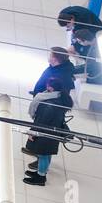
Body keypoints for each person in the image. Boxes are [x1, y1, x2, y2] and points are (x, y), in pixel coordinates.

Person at [26, 47, 74, 186]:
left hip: (46, 130)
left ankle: (40, 177)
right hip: (48, 125)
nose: (48, 57)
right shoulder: (54, 95)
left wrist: (33, 132)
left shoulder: (49, 105)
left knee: (44, 153)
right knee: (44, 153)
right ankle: (40, 171)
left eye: (50, 55)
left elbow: (42, 122)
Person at [57, 5, 102, 83]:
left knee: (79, 51)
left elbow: (83, 34)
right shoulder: (65, 14)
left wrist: (75, 46)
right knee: (74, 49)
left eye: (68, 25)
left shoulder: (83, 19)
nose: (68, 28)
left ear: (71, 19)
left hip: (95, 31)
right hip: (88, 35)